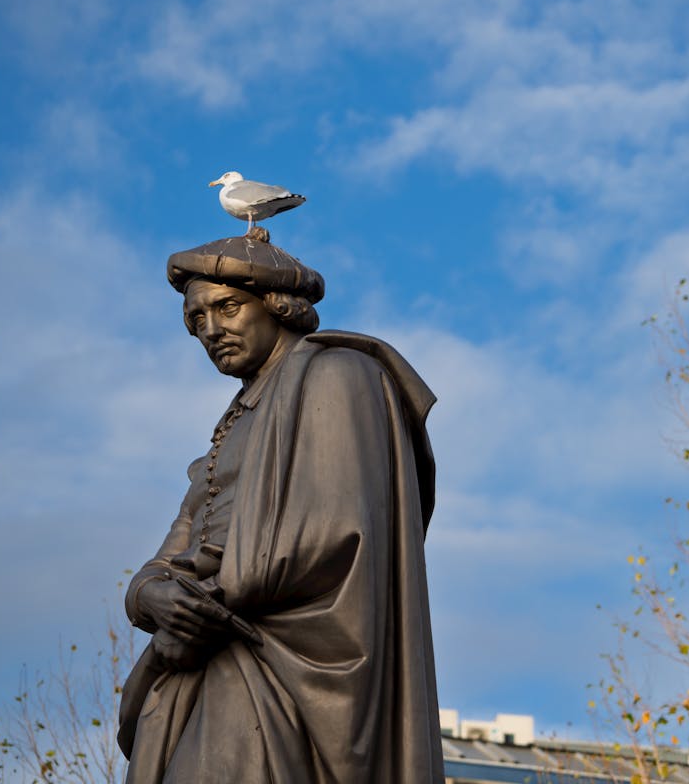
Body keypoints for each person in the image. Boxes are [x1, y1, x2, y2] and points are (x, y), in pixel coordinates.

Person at [118, 235, 444, 783]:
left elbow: (344, 532)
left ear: (278, 305)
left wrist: (207, 601)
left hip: (279, 668)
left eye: (227, 307)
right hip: (203, 668)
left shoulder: (341, 374)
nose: (211, 330)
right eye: (196, 319)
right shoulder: (229, 431)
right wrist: (153, 595)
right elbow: (173, 552)